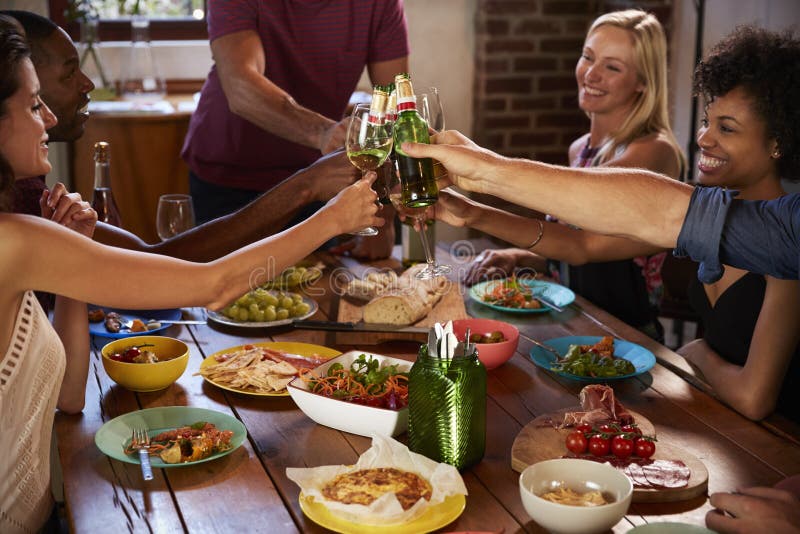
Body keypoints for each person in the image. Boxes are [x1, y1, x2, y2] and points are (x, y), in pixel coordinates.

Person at [0, 16, 382, 532]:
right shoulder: (16, 240)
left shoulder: (29, 230)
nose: (45, 118)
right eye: (31, 105)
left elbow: (71, 396)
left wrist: (75, 255)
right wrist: (329, 216)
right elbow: (213, 285)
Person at [433, 26, 800, 423]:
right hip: (710, 411)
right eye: (707, 122)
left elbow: (754, 399)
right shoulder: (713, 216)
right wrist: (473, 210)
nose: (704, 138)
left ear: (778, 142)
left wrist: (697, 354)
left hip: (773, 446)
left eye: (726, 129)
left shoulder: (786, 247)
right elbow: (584, 244)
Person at [0, 9, 368, 262]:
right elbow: (155, 266)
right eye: (68, 75)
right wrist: (306, 186)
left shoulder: (32, 191)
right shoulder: (23, 203)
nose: (88, 84)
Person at [464, 9, 685, 340]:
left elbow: (582, 244)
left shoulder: (654, 151)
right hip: (571, 325)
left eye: (612, 67)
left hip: (626, 341)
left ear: (643, 81)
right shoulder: (580, 149)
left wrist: (476, 191)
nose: (591, 74)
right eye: (588, 57)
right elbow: (577, 250)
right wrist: (520, 257)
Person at [181, 0, 409, 257]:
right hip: (231, 178)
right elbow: (239, 85)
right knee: (229, 289)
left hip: (321, 180)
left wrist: (384, 214)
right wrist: (322, 132)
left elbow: (393, 105)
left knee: (313, 288)